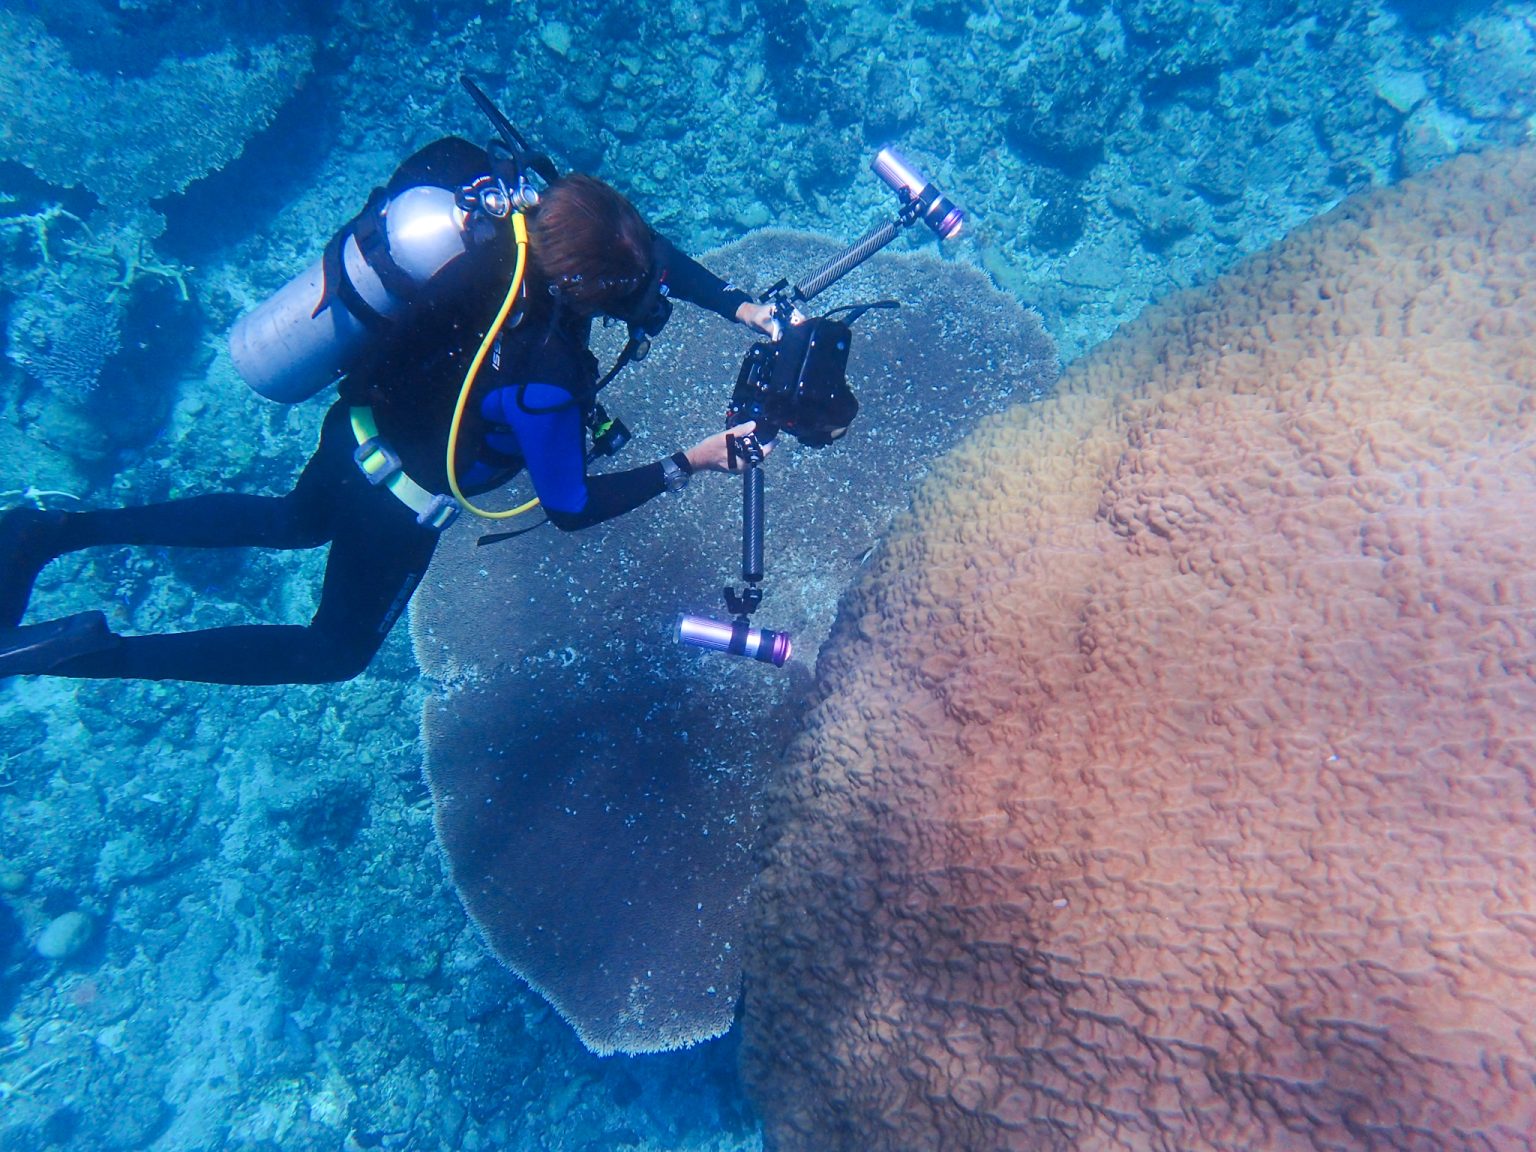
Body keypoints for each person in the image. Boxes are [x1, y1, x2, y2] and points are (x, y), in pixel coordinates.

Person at [0, 138, 777, 684]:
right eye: (631, 297)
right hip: (398, 505)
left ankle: (55, 531)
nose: (648, 298)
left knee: (290, 522)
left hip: (355, 426)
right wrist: (693, 461)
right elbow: (569, 505)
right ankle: (94, 656)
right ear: (580, 291)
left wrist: (741, 308)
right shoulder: (547, 370)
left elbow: (634, 247)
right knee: (333, 654)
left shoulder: (526, 204)